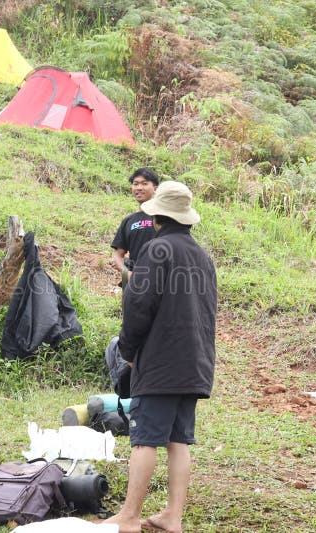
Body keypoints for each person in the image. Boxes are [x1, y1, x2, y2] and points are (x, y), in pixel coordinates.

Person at [104, 181, 217, 533]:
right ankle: (173, 515)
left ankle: (129, 516)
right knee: (178, 440)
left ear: (157, 218)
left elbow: (138, 305)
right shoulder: (203, 258)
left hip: (161, 361)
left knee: (145, 439)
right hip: (195, 362)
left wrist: (128, 350)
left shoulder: (156, 251)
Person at [111, 168, 159, 287]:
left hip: (161, 281)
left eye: (144, 183)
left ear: (155, 188)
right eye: (135, 184)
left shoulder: (164, 217)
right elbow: (118, 254)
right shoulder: (128, 221)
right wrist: (127, 274)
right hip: (135, 283)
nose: (139, 187)